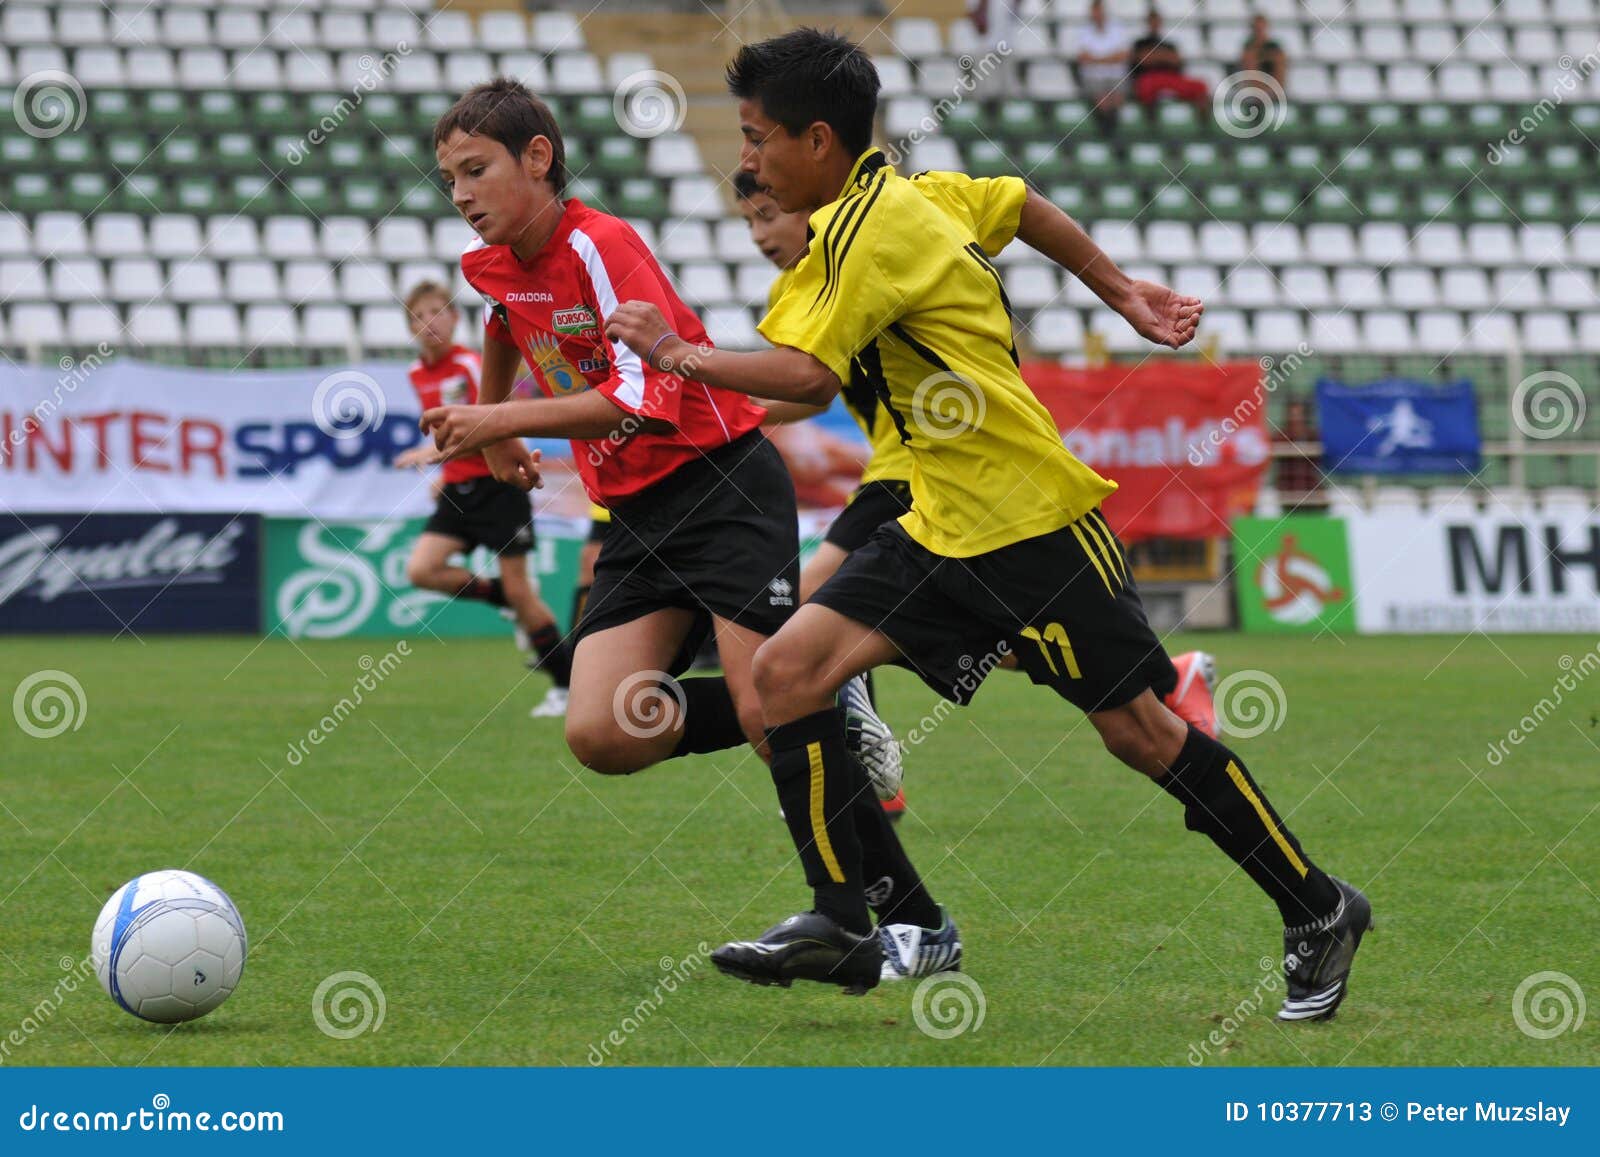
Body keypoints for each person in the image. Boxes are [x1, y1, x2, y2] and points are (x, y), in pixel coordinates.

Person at [606, 29, 1371, 1021]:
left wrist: (676, 355)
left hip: (1026, 524)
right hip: (937, 525)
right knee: (786, 672)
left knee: (1141, 734)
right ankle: (844, 919)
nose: (745, 160)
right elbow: (1017, 202)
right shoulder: (913, 195)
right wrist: (1122, 291)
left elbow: (807, 377)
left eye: (756, 138)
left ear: (818, 140)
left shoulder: (868, 231)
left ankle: (1319, 905)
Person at [419, 78, 950, 962]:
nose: (462, 194)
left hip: (721, 487)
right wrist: (494, 421)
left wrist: (500, 419)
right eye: (450, 180)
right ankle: (813, 700)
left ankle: (907, 922)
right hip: (636, 513)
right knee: (603, 730)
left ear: (538, 159)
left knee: (768, 711)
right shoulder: (490, 260)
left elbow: (644, 396)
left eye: (476, 170)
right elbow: (504, 319)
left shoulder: (600, 244)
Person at [393, 280, 571, 716]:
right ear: (410, 327)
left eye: (438, 312)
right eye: (419, 316)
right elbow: (447, 431)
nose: (430, 322)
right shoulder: (416, 374)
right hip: (459, 490)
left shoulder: (471, 365)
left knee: (523, 592)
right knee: (422, 570)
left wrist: (433, 455)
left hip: (498, 485)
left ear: (455, 318)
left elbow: (491, 424)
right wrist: (444, 470)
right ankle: (504, 599)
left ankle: (567, 685)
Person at [1129, 8, 1208, 107]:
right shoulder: (1140, 43)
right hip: (1149, 78)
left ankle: (1200, 115)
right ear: (1147, 23)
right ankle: (1151, 115)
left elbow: (1177, 62)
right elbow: (1140, 61)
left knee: (1200, 86)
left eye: (1157, 21)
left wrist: (1155, 56)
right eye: (1152, 22)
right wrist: (1164, 56)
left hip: (1170, 78)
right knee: (1145, 87)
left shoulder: (1169, 44)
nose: (1155, 24)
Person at [1076, 1, 1130, 134]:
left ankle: (1110, 130)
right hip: (1094, 76)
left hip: (1116, 75)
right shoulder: (1084, 31)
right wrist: (1109, 59)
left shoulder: (1117, 28)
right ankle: (1107, 131)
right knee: (1102, 99)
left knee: (1117, 98)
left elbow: (1123, 55)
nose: (1097, 15)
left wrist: (1097, 59)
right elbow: (1083, 57)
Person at [1239, 12, 1288, 92]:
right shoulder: (1248, 48)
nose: (1259, 31)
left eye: (1261, 28)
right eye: (1257, 28)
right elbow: (1248, 69)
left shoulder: (1275, 47)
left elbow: (1281, 69)